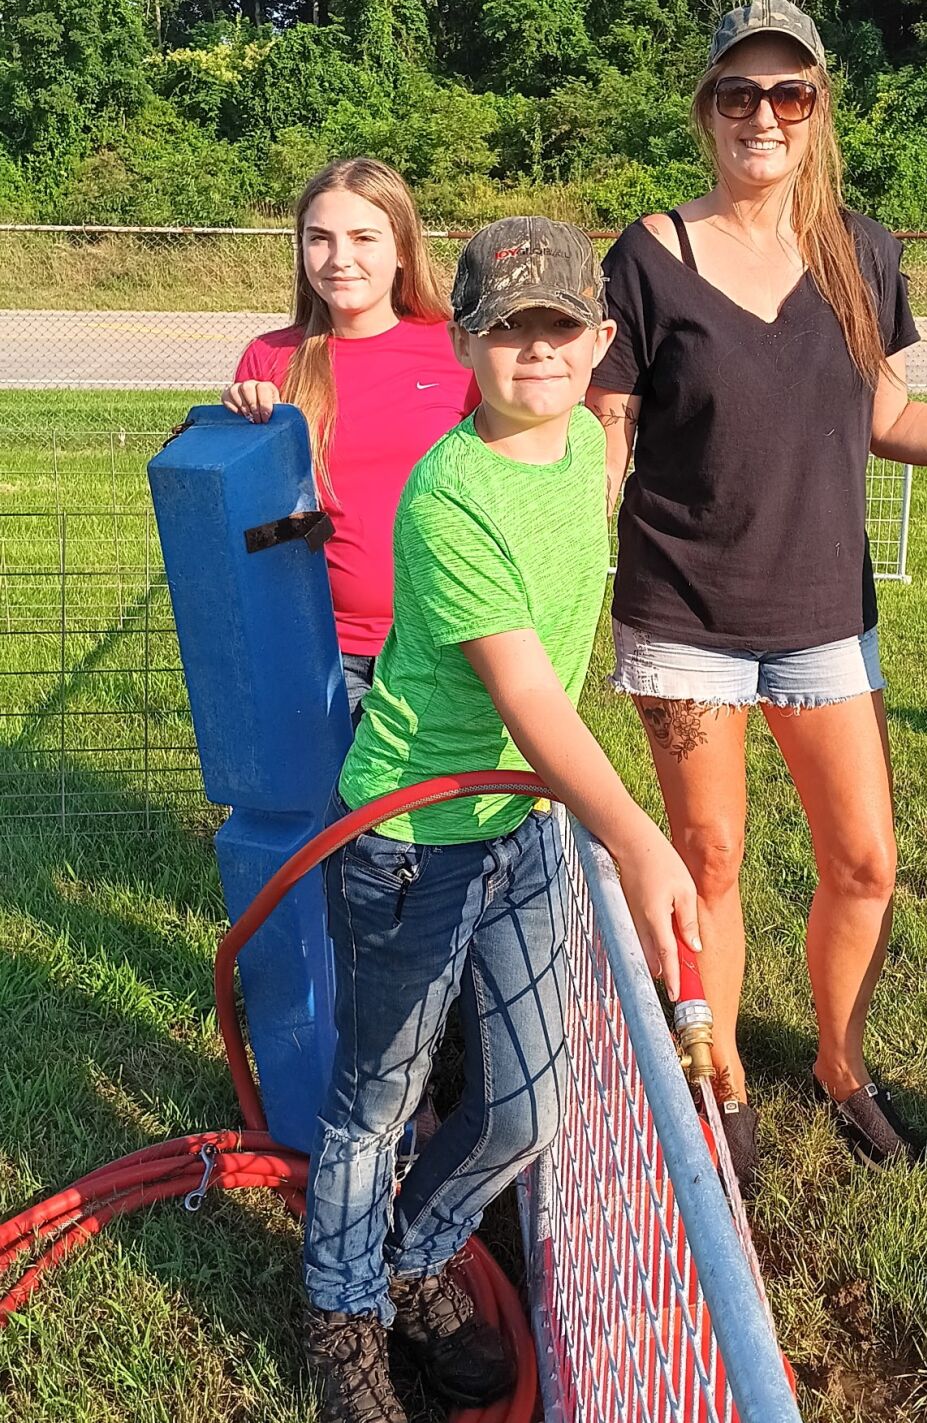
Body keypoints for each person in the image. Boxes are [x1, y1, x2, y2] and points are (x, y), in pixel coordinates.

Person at [586, 0, 927, 1183]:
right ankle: (722, 1086)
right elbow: (607, 433)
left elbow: (889, 418)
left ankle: (840, 1063)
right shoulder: (647, 253)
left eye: (788, 94)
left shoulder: (862, 251)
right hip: (683, 619)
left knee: (863, 860)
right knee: (706, 861)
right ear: (704, 111)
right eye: (737, 95)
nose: (761, 116)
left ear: (816, 113)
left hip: (822, 619)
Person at [300, 217, 701, 1423]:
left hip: (523, 829)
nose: (537, 351)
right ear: (464, 341)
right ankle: (341, 1310)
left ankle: (421, 1257)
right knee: (379, 1097)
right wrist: (637, 834)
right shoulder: (445, 499)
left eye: (559, 328)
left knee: (529, 1100)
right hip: (411, 841)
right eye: (507, 328)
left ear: (598, 343)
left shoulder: (586, 442)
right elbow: (528, 699)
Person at [223, 158, 477, 719]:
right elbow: (252, 535)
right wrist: (235, 434)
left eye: (364, 237)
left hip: (450, 640)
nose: (340, 259)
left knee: (455, 803)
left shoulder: (459, 349)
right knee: (355, 804)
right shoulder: (271, 361)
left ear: (402, 247)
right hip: (325, 648)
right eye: (320, 239)